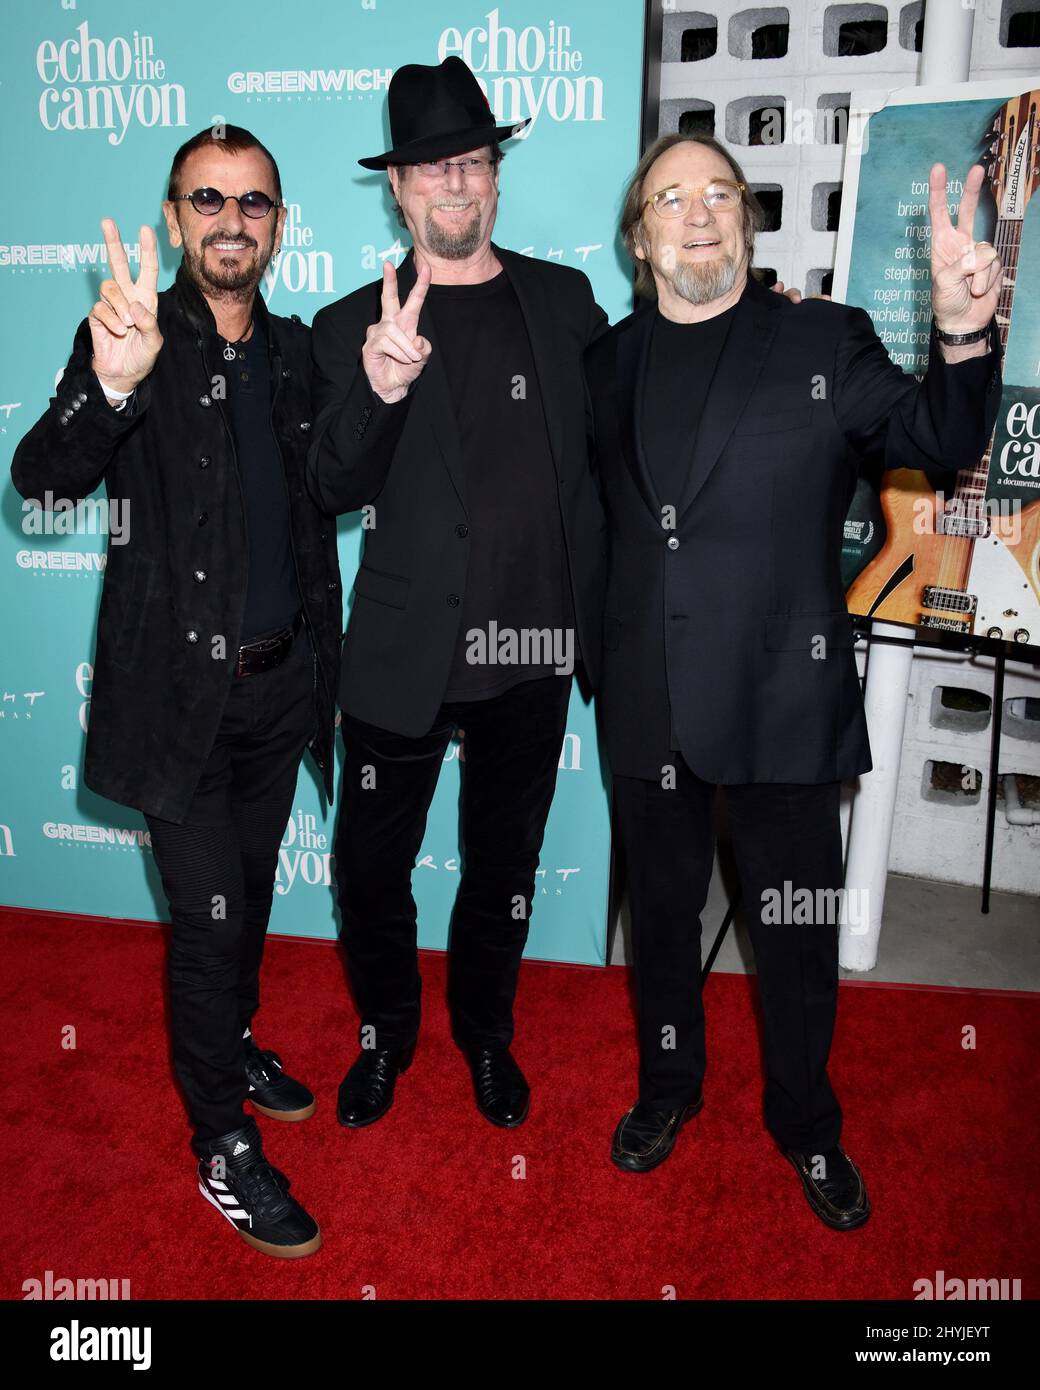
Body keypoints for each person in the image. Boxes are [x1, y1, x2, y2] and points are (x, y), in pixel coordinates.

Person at [584, 132, 1002, 1228]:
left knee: (794, 926)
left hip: (779, 692)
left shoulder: (821, 338)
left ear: (745, 219)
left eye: (717, 191)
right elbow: (597, 525)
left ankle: (806, 1123)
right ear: (640, 237)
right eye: (669, 197)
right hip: (646, 694)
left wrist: (962, 331)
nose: (697, 212)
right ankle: (668, 1087)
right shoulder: (606, 361)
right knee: (661, 918)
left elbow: (935, 429)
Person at [11, 124, 342, 1259]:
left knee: (241, 909)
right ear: (172, 219)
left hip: (280, 692)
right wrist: (108, 385)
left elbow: (328, 497)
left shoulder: (299, 354)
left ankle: (232, 1040)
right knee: (204, 932)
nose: (230, 220)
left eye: (253, 202)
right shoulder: (132, 334)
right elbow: (40, 480)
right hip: (180, 707)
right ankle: (219, 1144)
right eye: (207, 200)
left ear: (279, 225)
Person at [307, 57, 608, 1129]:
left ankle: (485, 1033)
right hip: (400, 658)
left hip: (530, 652)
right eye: (431, 166)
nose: (454, 185)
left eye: (472, 161)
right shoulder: (348, 322)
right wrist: (380, 389)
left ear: (495, 173)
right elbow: (328, 483)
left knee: (503, 868)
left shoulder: (567, 302)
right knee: (370, 873)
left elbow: (626, 433)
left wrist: (766, 334)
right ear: (396, 186)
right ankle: (386, 1036)